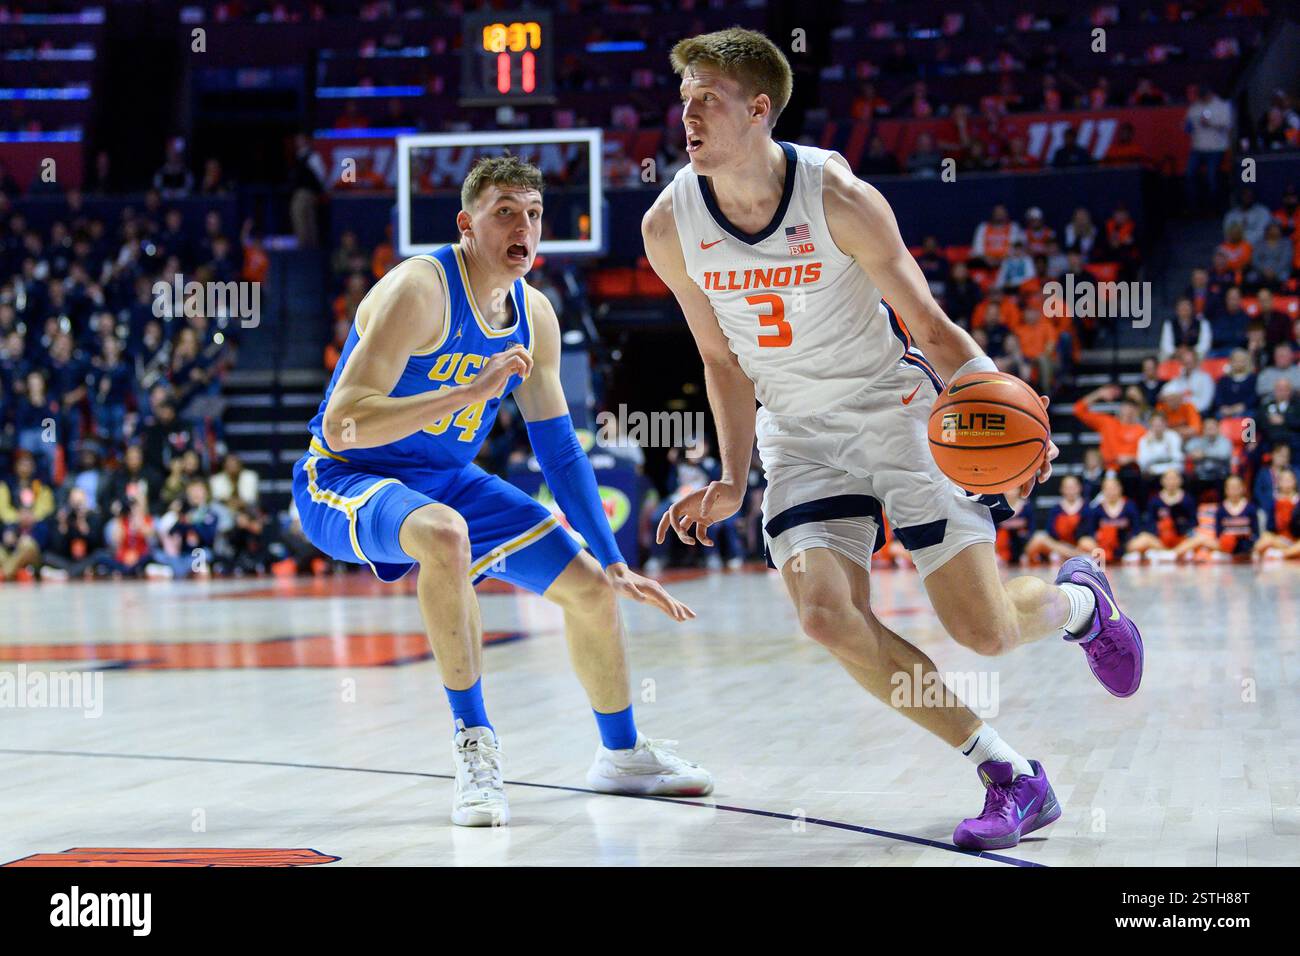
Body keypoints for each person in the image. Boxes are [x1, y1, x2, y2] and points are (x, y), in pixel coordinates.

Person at [642, 28, 1144, 853]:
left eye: (709, 99)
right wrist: (733, 475)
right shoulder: (670, 226)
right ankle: (1011, 776)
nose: (688, 115)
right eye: (685, 98)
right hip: (797, 431)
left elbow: (933, 327)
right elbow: (718, 357)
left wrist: (1020, 418)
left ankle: (1084, 605)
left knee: (982, 630)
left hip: (894, 408)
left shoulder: (838, 197)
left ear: (760, 109)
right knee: (827, 616)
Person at [292, 154, 711, 827]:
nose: (525, 227)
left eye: (535, 214)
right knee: (443, 534)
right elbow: (343, 426)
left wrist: (613, 557)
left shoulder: (534, 315)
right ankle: (474, 746)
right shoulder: (419, 290)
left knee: (591, 588)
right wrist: (468, 391)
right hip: (346, 478)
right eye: (506, 213)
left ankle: (621, 754)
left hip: (446, 480)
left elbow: (560, 452)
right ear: (466, 224)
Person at [1024, 474, 1087, 563]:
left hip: (1079, 544)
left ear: (1079, 488)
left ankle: (1072, 555)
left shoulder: (1086, 508)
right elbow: (1050, 532)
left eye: (1073, 487)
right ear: (1062, 489)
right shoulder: (1056, 509)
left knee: (1086, 542)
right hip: (1058, 545)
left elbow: (1089, 531)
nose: (1070, 491)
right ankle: (1076, 555)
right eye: (1067, 487)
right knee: (1039, 538)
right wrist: (1060, 544)